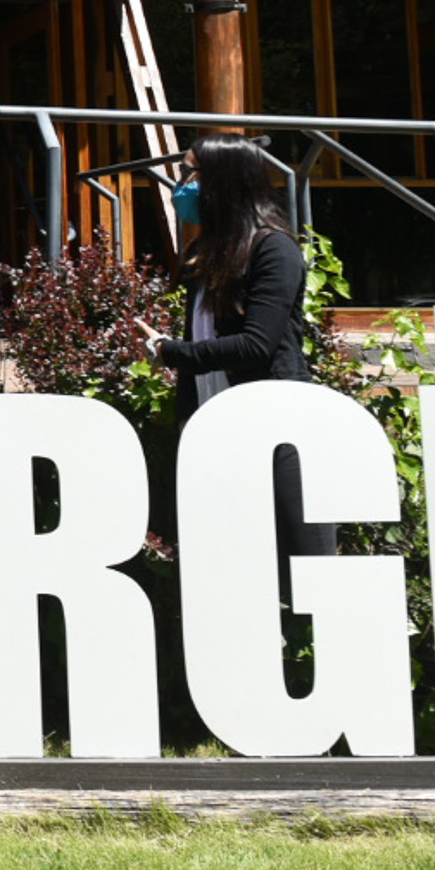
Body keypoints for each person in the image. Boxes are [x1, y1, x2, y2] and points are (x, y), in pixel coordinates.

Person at [138, 132, 335, 568]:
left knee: (305, 563)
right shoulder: (204, 254)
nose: (182, 185)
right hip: (215, 429)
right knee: (234, 565)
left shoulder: (274, 249)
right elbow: (205, 338)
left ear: (225, 181)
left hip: (277, 427)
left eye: (191, 173)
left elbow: (256, 345)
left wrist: (170, 353)